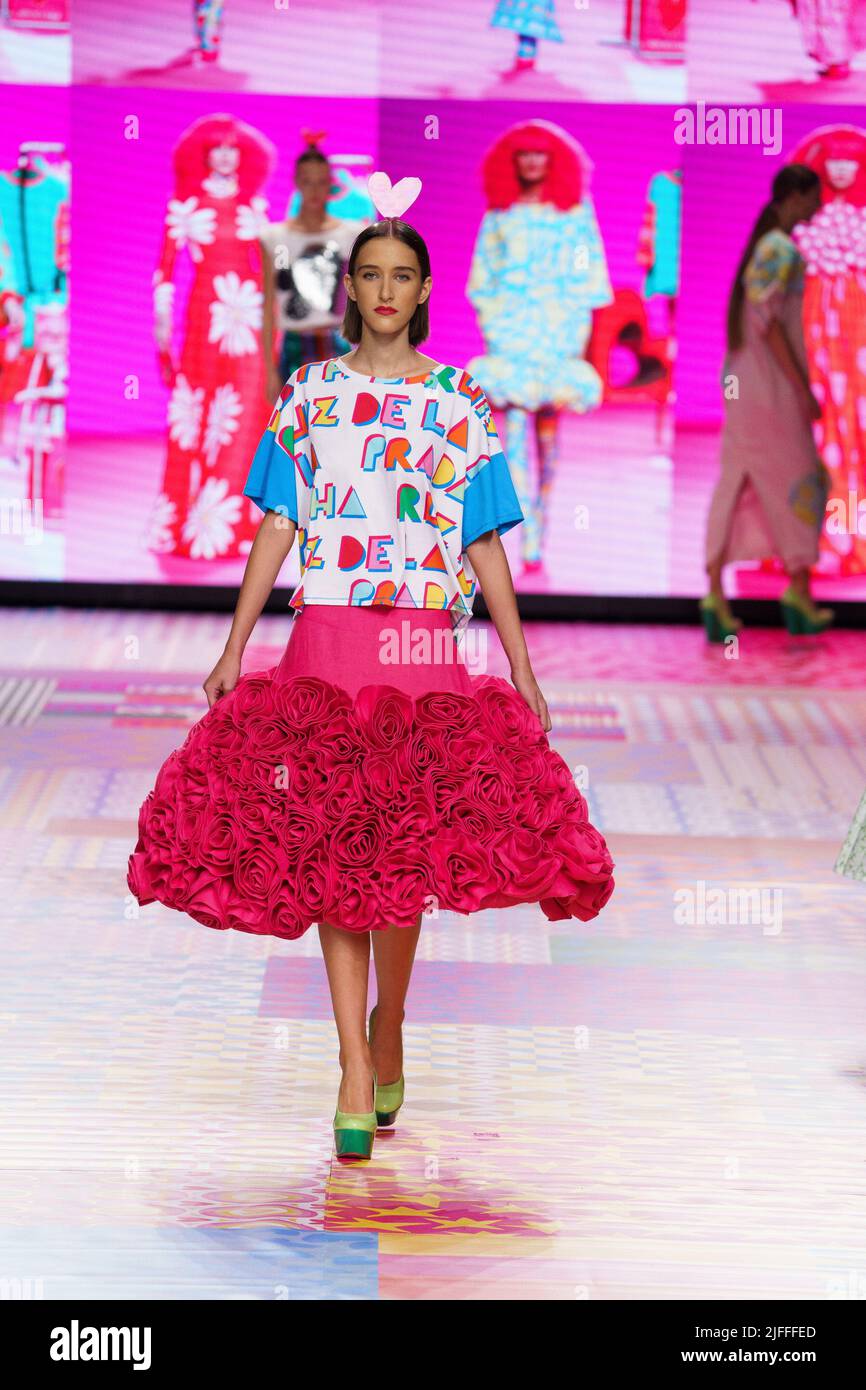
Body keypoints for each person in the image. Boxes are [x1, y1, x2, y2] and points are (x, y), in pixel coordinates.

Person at [127, 173, 615, 1163]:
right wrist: (233, 644)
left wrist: (520, 666)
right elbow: (278, 523)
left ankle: (389, 1020)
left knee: (403, 854)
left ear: (424, 286)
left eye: (401, 275)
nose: (384, 290)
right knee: (335, 855)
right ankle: (353, 1059)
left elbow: (482, 544)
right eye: (369, 274)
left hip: (422, 644)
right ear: (347, 288)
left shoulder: (458, 401)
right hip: (328, 642)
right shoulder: (309, 396)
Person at [465, 119, 612, 581]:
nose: (531, 162)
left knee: (549, 437)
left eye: (540, 153)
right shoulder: (500, 214)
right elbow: (482, 276)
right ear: (511, 162)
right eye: (523, 154)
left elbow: (590, 276)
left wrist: (576, 334)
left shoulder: (574, 211)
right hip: (511, 332)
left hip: (557, 331)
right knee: (511, 441)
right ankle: (521, 538)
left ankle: (539, 534)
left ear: (554, 160)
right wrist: (494, 322)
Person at [701, 164, 834, 641]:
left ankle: (717, 592)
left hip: (748, 381)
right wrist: (802, 387)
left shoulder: (769, 246)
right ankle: (797, 588)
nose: (820, 205)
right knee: (802, 476)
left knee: (739, 480)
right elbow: (769, 324)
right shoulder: (779, 248)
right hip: (768, 385)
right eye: (815, 196)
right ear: (796, 196)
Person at [259, 132, 366, 407]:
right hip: (294, 346)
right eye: (307, 182)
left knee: (340, 435)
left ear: (330, 185)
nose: (314, 190)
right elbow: (268, 309)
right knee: (296, 437)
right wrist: (269, 372)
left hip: (338, 346)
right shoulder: (274, 237)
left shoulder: (351, 235)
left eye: (321, 182)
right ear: (296, 183)